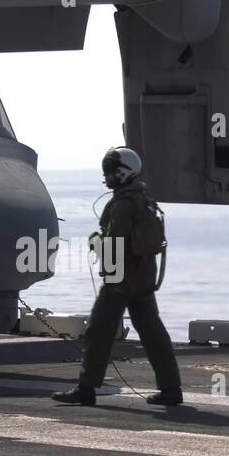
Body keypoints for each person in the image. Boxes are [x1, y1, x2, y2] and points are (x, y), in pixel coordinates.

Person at [52, 147, 183, 406]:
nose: (107, 177)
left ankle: (86, 389)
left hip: (119, 280)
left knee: (98, 331)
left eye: (110, 172)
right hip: (143, 279)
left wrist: (95, 242)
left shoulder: (123, 205)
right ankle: (171, 389)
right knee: (153, 333)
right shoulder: (144, 200)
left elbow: (115, 247)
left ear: (122, 173)